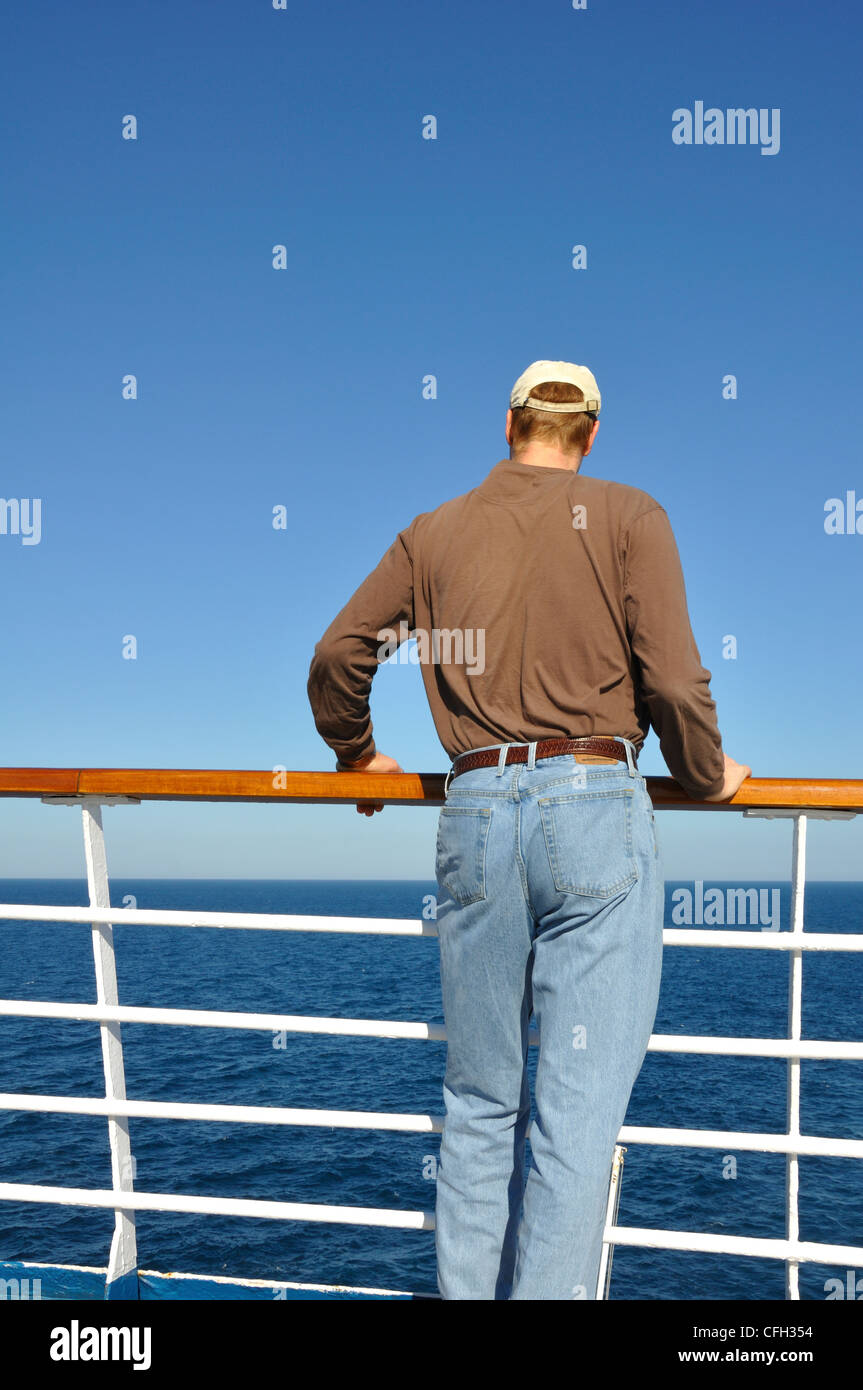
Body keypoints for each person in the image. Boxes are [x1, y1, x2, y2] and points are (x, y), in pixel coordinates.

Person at [307, 359, 750, 1300]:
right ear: (589, 436)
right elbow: (671, 684)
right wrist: (708, 775)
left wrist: (358, 755)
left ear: (508, 423)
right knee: (575, 1117)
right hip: (591, 806)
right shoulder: (631, 516)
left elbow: (340, 654)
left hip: (471, 809)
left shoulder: (433, 534)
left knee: (477, 1106)